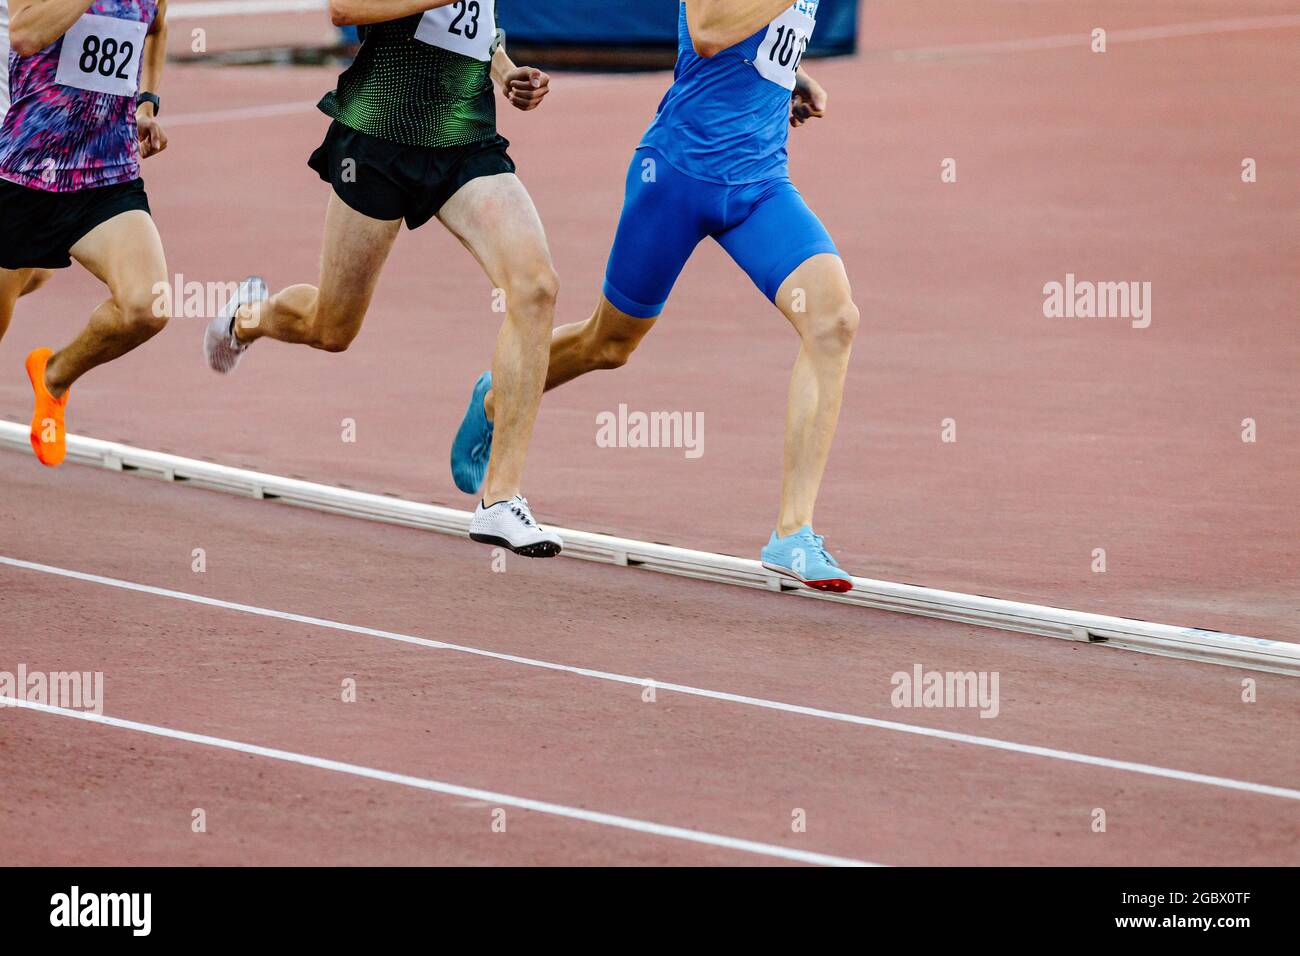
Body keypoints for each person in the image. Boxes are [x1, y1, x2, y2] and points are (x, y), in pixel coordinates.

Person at [452, 0, 858, 591]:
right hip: (673, 175)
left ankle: (793, 536)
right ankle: (498, 396)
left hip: (760, 185)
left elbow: (752, 42)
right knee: (609, 344)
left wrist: (788, 73)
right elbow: (710, 29)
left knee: (834, 321)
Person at [205, 0, 563, 558]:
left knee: (536, 286)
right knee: (332, 327)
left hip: (465, 138)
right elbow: (344, 8)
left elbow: (474, 27)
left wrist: (505, 70)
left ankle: (500, 500)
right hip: (378, 134)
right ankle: (249, 317)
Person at [0, 0, 170, 467]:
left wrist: (146, 102)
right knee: (19, 289)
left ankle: (54, 378)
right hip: (22, 175)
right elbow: (26, 34)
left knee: (147, 307)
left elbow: (157, 28)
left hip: (106, 175)